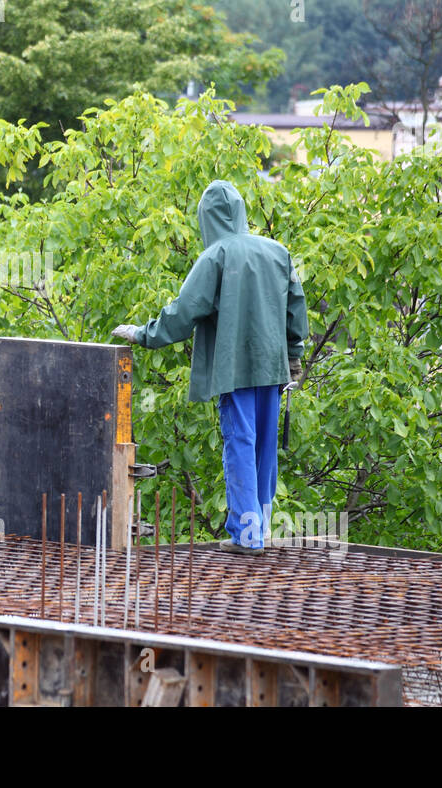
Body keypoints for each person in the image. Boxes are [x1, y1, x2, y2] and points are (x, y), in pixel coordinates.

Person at [112, 180, 308, 555]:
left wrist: (143, 334)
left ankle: (246, 538)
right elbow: (295, 309)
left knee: (240, 444)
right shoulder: (277, 252)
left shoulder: (215, 256)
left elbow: (183, 312)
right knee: (265, 450)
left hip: (235, 371)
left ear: (207, 219)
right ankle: (258, 530)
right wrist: (293, 353)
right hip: (273, 368)